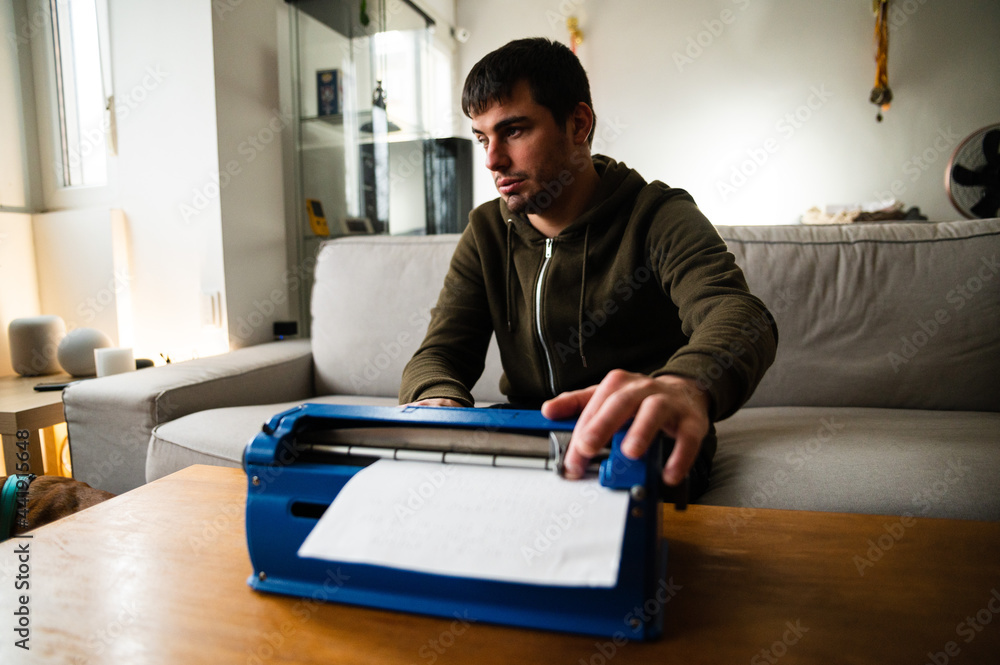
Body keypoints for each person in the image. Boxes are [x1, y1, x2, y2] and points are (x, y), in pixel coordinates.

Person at [399, 37, 777, 499]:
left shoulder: (657, 214)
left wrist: (685, 385)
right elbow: (440, 353)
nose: (492, 160)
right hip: (526, 434)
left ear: (578, 123)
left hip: (638, 432)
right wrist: (437, 398)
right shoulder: (486, 231)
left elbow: (738, 315)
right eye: (483, 137)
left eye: (514, 131)